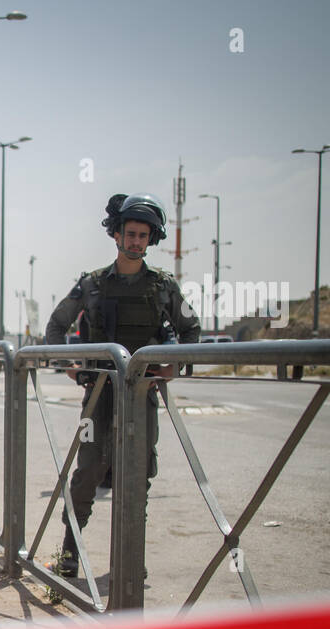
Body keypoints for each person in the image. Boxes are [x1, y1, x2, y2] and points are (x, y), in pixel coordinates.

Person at [45, 192, 200, 578]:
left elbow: (192, 330)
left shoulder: (163, 286)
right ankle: (69, 553)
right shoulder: (93, 284)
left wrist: (169, 371)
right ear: (116, 235)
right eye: (130, 234)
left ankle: (130, 561)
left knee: (137, 477)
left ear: (151, 239)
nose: (136, 242)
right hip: (98, 396)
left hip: (141, 396)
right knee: (88, 473)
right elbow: (55, 326)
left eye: (143, 236)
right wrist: (70, 366)